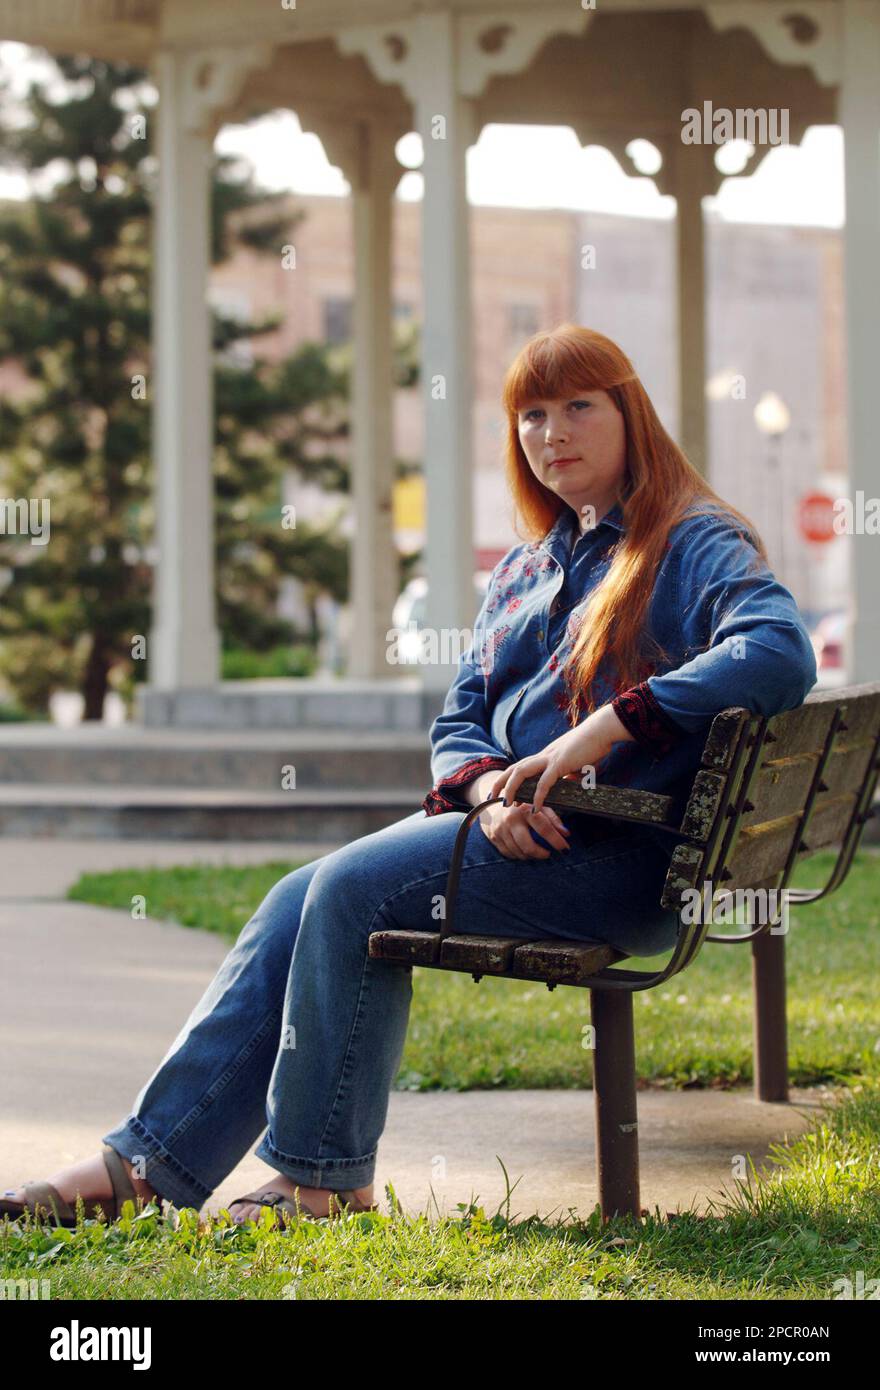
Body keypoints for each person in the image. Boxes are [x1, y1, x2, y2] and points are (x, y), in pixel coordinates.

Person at [0, 323, 817, 1228]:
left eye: (580, 406)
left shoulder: (690, 541)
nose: (553, 433)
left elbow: (778, 649)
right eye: (531, 415)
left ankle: (322, 1184)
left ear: (630, 412)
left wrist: (604, 727)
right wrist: (484, 793)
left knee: (351, 889)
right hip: (522, 839)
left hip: (619, 859)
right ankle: (141, 1166)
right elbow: (460, 716)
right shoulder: (524, 568)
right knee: (294, 895)